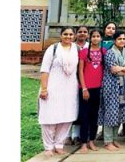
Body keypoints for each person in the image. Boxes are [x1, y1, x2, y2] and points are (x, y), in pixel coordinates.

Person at [38, 26, 80, 157]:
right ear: (61, 35)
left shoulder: (77, 49)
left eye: (71, 34)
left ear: (74, 36)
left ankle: (59, 144)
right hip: (53, 87)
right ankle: (48, 146)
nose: (68, 37)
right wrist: (44, 89)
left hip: (70, 88)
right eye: (65, 34)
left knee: (66, 117)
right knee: (50, 117)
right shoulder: (53, 49)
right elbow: (45, 70)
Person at [98, 30, 125, 151]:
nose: (122, 41)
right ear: (114, 40)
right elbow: (113, 70)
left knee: (120, 112)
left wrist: (123, 68)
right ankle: (108, 141)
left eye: (124, 39)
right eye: (119, 39)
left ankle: (114, 139)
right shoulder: (110, 53)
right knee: (111, 112)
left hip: (124, 85)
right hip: (112, 85)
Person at [77, 29, 105, 153]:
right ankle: (83, 142)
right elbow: (80, 71)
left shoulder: (104, 52)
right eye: (93, 36)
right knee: (84, 116)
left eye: (98, 36)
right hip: (85, 89)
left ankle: (91, 141)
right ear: (90, 37)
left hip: (98, 89)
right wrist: (84, 88)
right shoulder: (83, 52)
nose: (95, 38)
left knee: (95, 116)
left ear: (101, 38)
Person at [69, 25, 91, 144]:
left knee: (81, 108)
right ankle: (67, 135)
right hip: (70, 80)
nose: (82, 33)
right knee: (69, 106)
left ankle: (77, 135)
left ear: (88, 34)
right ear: (76, 34)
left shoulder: (90, 46)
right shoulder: (70, 46)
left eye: (85, 32)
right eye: (80, 31)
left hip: (86, 82)